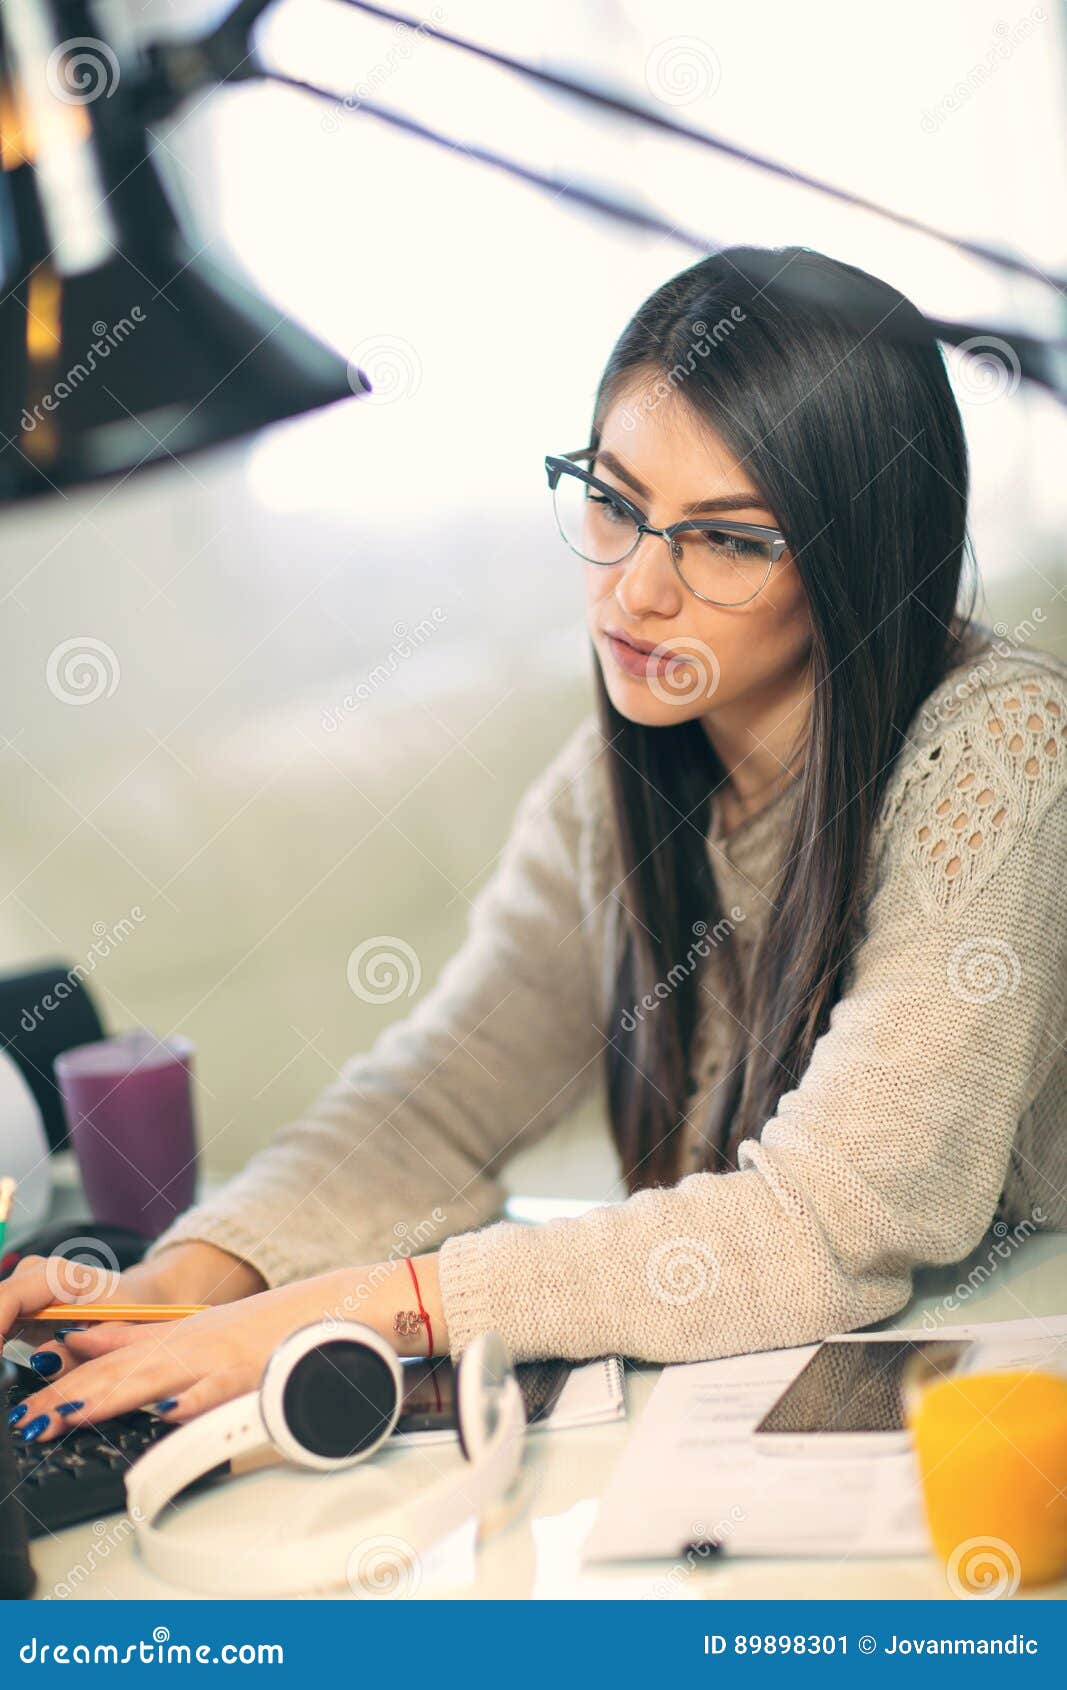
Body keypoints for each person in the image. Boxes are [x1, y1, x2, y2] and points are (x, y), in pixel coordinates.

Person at [4, 245, 1065, 1444]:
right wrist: (184, 1284)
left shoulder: (996, 749)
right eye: (613, 504)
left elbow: (830, 1224)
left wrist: (373, 1307)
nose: (632, 591)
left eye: (723, 539)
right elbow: (435, 1101)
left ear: (862, 554)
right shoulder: (616, 777)